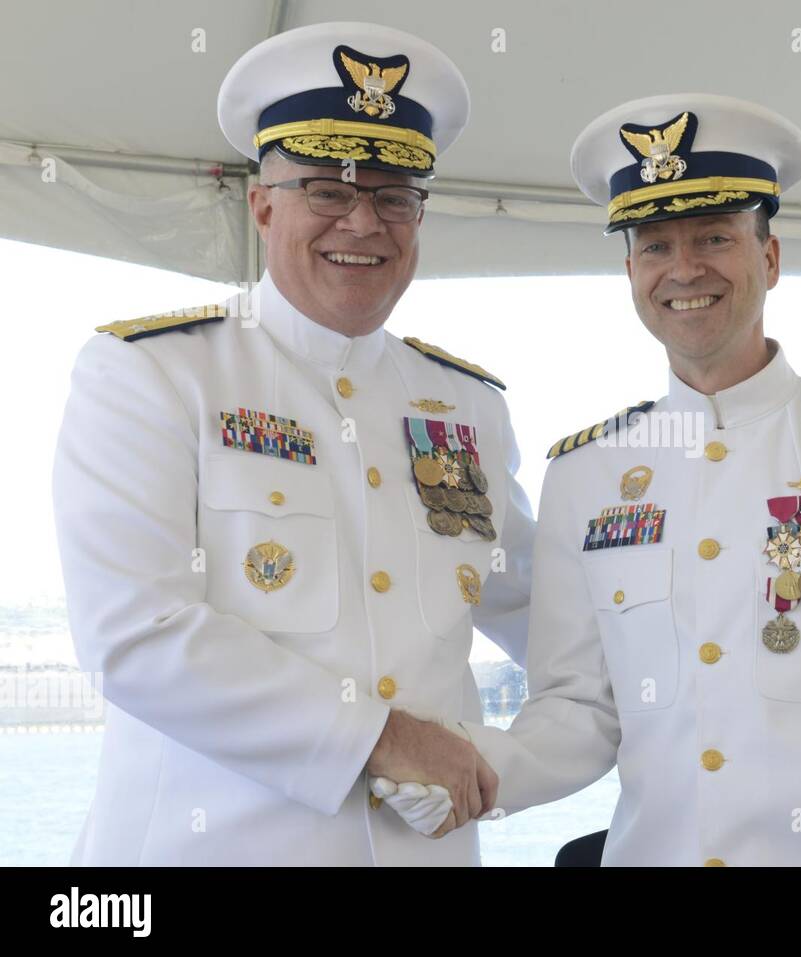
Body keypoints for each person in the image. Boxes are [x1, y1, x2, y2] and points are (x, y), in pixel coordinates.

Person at [457, 93, 801, 865]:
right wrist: (466, 765)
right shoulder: (586, 475)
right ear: (629, 271)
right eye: (655, 245)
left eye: (714, 236)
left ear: (770, 257)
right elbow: (580, 707)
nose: (685, 269)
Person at [50, 22, 533, 865]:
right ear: (262, 202)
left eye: (393, 195)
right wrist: (378, 735)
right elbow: (136, 631)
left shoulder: (466, 407)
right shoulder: (153, 375)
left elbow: (549, 616)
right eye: (327, 189)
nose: (363, 221)